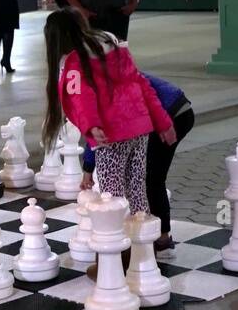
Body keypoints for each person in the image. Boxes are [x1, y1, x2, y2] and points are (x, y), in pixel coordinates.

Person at [43, 7, 174, 226]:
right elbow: (141, 83)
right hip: (140, 127)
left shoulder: (75, 60)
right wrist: (162, 122)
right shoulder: (112, 45)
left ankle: (116, 242)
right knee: (136, 187)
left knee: (111, 196)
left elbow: (80, 97)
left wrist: (92, 126)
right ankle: (142, 240)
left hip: (111, 133)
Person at [82, 73, 195, 255]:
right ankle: (154, 236)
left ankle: (160, 239)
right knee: (148, 177)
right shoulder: (112, 73)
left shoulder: (103, 84)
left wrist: (88, 168)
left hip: (171, 113)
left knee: (151, 178)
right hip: (175, 108)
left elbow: (95, 131)